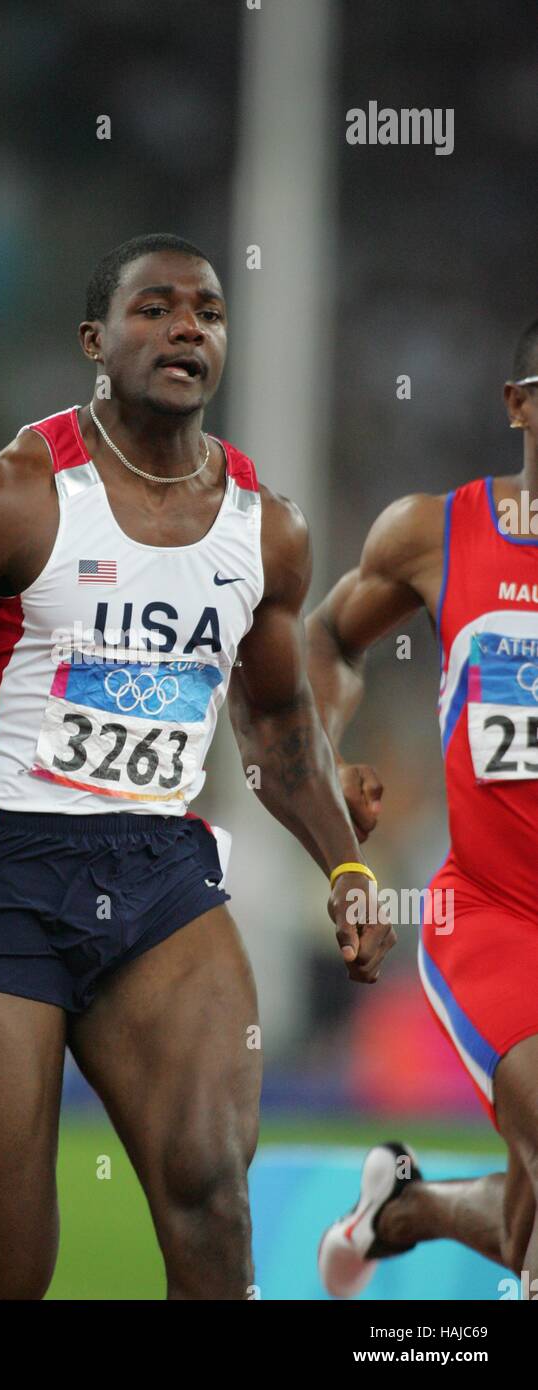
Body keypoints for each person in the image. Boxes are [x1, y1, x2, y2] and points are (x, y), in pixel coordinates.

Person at [0, 232, 391, 1301]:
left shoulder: (270, 533)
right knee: (0, 1273)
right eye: (154, 308)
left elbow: (273, 727)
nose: (184, 329)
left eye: (206, 312)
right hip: (1, 872)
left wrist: (343, 869)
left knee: (211, 1190)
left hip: (160, 867)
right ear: (94, 339)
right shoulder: (8, 498)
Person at [311, 320, 538, 1299]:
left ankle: (399, 1208)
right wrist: (327, 759)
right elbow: (323, 644)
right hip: (490, 917)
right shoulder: (434, 534)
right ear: (516, 403)